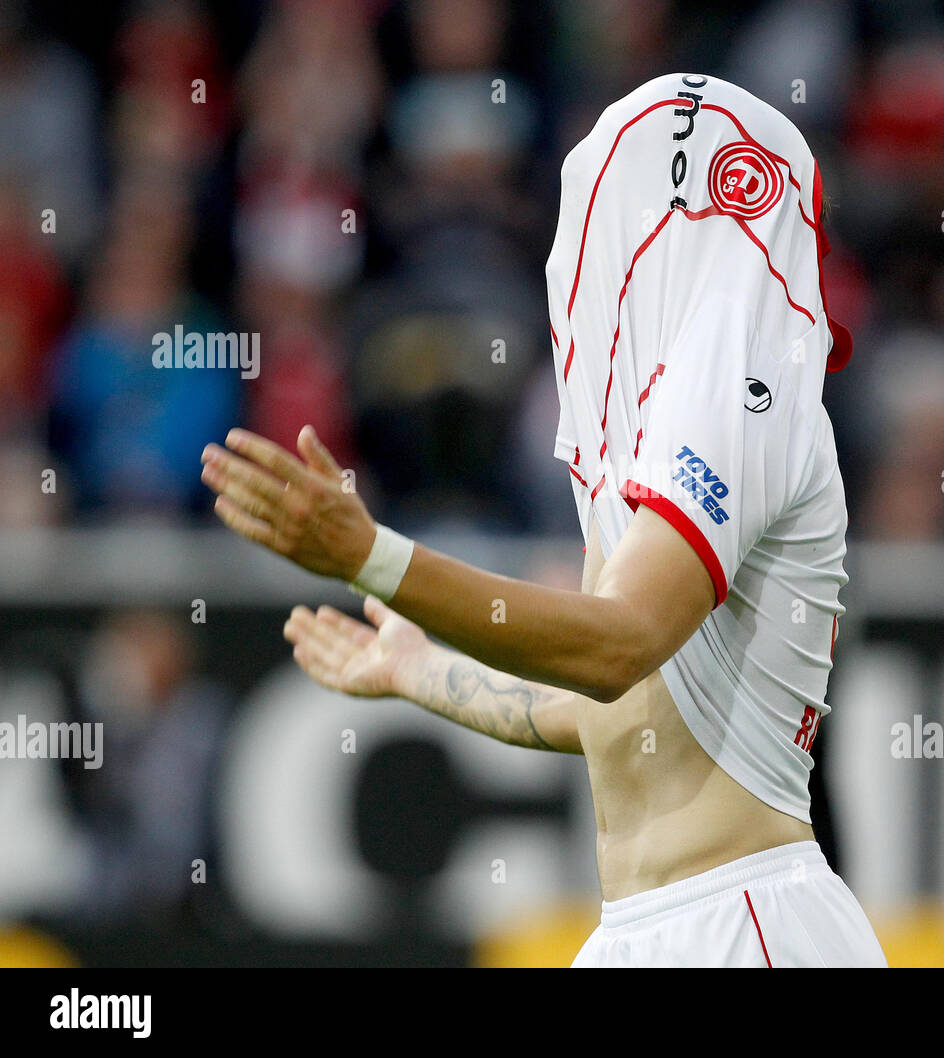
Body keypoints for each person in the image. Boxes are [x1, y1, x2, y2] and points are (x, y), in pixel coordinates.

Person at [201, 73, 886, 967]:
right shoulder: (679, 418)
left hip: (740, 923)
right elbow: (611, 708)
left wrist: (372, 556)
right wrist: (420, 670)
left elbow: (617, 647)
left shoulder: (738, 385)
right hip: (654, 927)